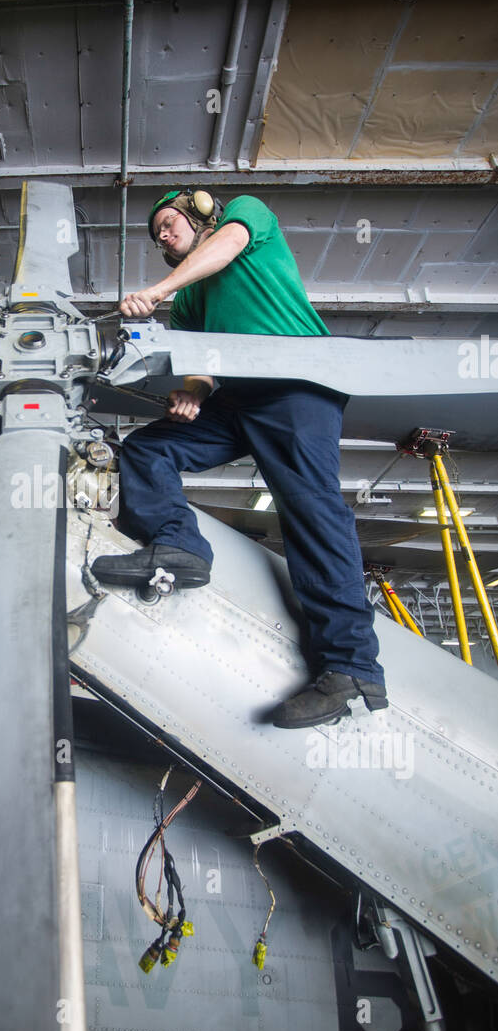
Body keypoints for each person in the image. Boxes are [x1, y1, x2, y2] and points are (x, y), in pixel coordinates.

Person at [91, 189, 387, 730]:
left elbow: (226, 246)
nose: (161, 232)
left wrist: (154, 292)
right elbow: (202, 358)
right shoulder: (189, 300)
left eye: (168, 219)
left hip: (297, 385)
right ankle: (178, 547)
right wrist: (195, 390)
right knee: (147, 449)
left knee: (310, 511)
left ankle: (350, 667)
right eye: (155, 230)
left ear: (202, 210)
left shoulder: (245, 216)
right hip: (240, 400)